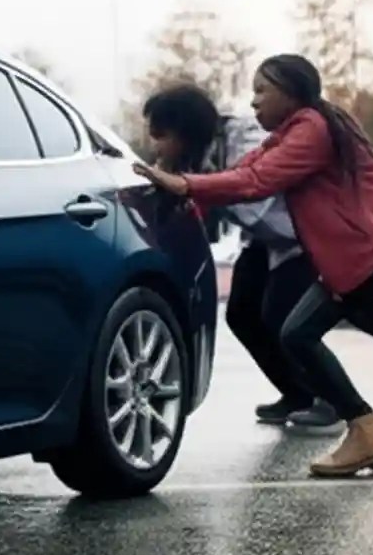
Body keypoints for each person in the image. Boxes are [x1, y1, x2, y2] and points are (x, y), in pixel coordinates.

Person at [133, 54, 373, 477]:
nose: (253, 101)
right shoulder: (295, 131)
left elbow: (257, 181)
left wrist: (185, 184)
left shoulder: (312, 130)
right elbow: (248, 168)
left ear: (291, 93)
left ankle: (363, 429)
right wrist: (188, 186)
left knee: (298, 332)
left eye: (262, 91)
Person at [142, 86, 342, 433]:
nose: (156, 146)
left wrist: (192, 188)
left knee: (284, 319)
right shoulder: (193, 156)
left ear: (184, 131)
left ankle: (334, 402)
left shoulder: (248, 140)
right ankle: (298, 394)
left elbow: (251, 194)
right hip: (266, 238)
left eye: (161, 136)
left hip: (302, 236)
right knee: (241, 315)